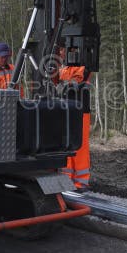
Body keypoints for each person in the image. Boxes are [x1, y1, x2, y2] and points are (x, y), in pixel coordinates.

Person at [55, 45, 92, 192]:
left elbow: (78, 79)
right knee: (66, 144)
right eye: (61, 50)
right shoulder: (63, 69)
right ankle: (67, 178)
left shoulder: (81, 68)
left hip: (81, 110)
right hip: (66, 110)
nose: (61, 52)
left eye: (64, 50)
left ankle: (81, 182)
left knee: (80, 145)